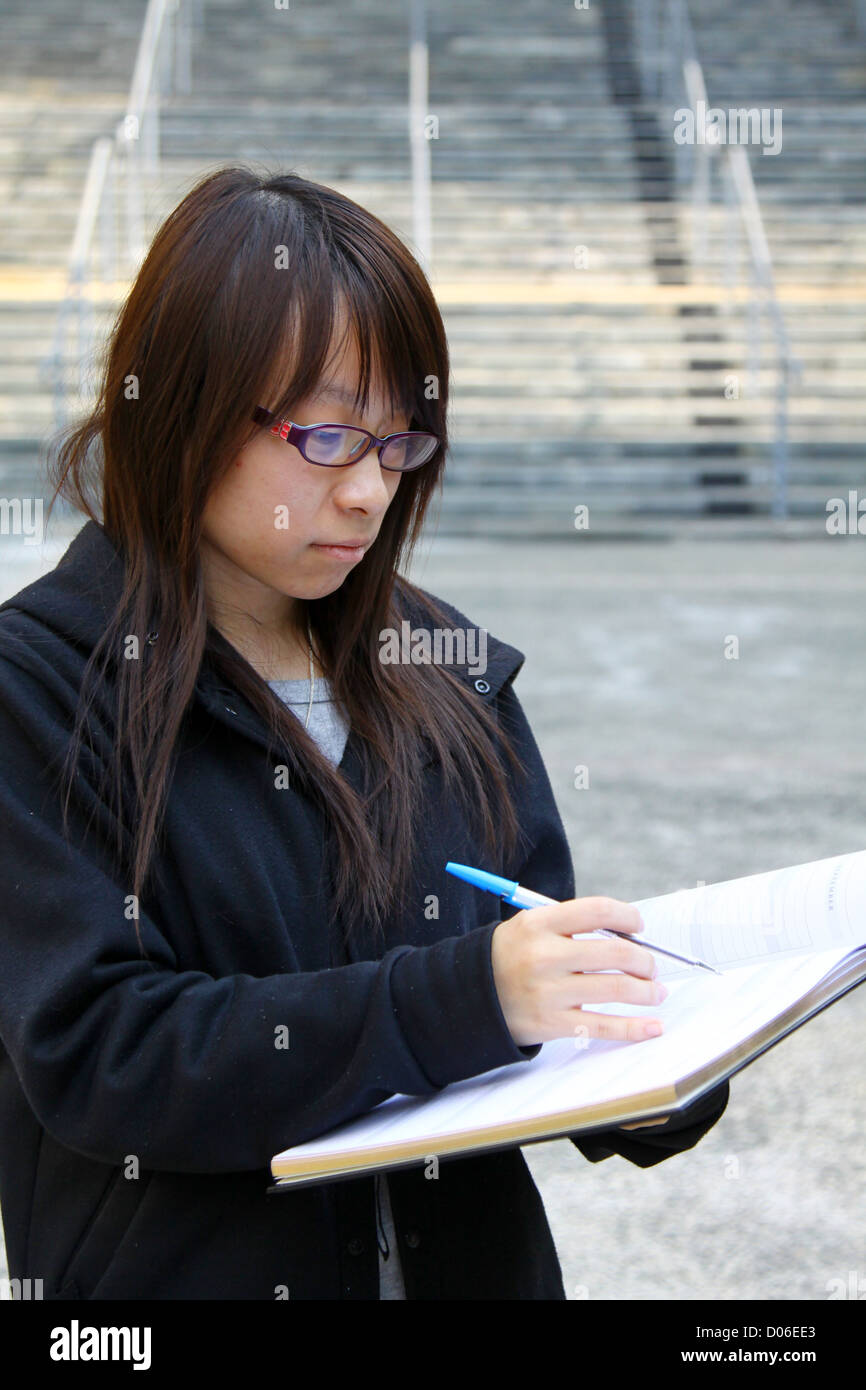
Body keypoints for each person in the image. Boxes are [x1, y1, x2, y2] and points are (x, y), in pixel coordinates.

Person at [0, 167, 728, 1301]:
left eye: (399, 447)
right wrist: (461, 997)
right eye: (329, 437)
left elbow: (517, 969)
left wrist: (654, 1054)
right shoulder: (43, 688)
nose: (367, 495)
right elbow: (104, 1053)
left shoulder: (446, 670)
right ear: (185, 404)